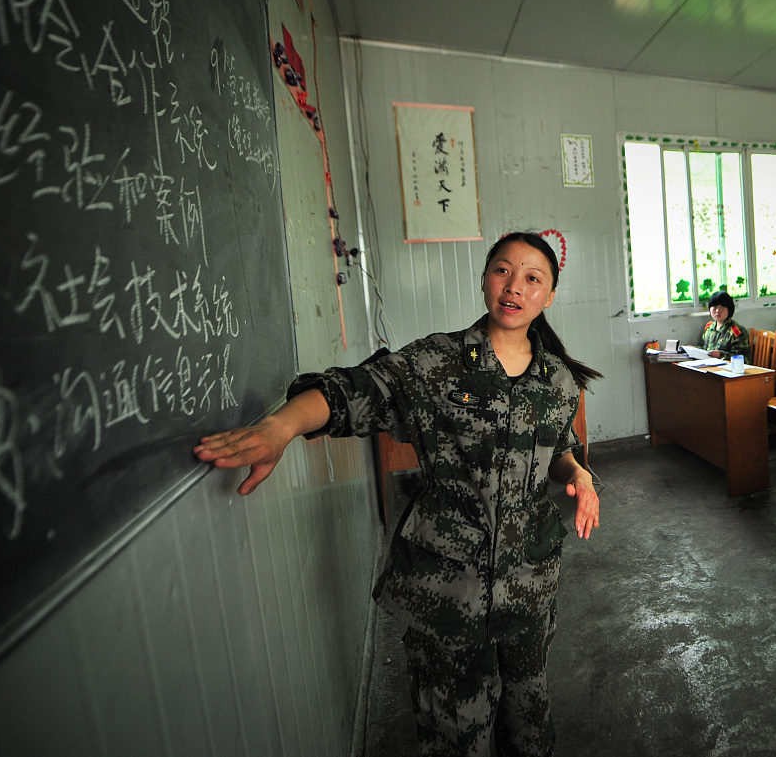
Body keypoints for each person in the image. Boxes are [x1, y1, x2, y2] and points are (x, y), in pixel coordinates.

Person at [193, 232, 602, 756]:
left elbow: (560, 449)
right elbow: (356, 390)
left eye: (532, 278)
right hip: (447, 593)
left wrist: (580, 474)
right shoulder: (436, 363)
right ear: (484, 279)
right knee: (456, 737)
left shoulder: (559, 380)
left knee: (529, 726)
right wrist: (283, 427)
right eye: (502, 271)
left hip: (529, 586)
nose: (514, 287)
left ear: (549, 295)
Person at [701, 290, 750, 361]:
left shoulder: (737, 331)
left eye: (722, 307)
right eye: (714, 307)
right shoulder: (709, 327)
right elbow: (707, 350)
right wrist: (692, 349)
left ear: (729, 309)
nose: (717, 311)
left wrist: (721, 355)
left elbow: (743, 359)